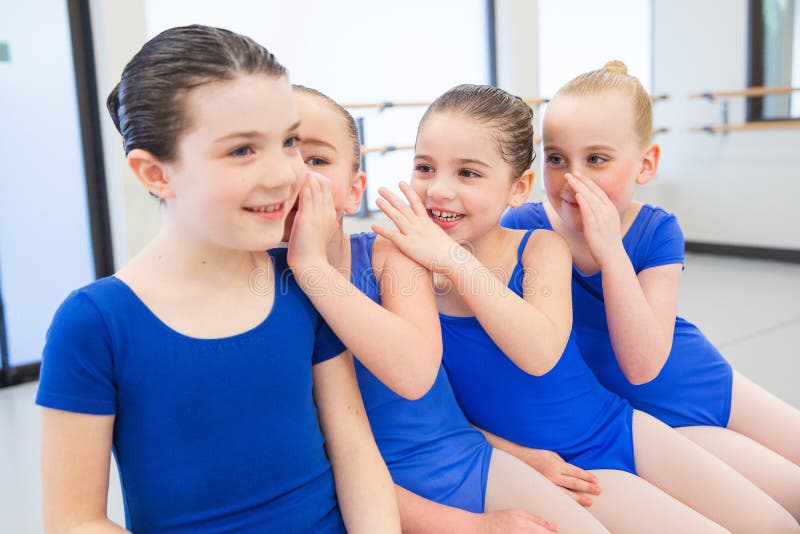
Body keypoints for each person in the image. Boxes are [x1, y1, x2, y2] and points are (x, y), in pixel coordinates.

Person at [374, 83, 800, 532]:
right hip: (565, 461)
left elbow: (541, 351)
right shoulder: (407, 275)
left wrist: (452, 260)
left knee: (775, 522)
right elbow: (442, 409)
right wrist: (520, 458)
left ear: (518, 187)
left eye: (467, 173)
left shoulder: (540, 246)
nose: (440, 189)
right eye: (424, 167)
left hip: (624, 422)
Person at [36, 25, 400, 533]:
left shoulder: (299, 283)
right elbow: (74, 520)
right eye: (242, 151)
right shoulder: (96, 324)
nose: (284, 174)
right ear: (155, 174)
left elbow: (355, 451)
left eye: (288, 142)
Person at [290, 84, 608, 533]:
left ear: (354, 189)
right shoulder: (272, 296)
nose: (293, 175)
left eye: (316, 160)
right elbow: (343, 461)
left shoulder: (392, 256)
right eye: (425, 167)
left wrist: (518, 456)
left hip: (472, 459)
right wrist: (470, 525)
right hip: (385, 498)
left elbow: (432, 390)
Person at [501, 61, 800, 521]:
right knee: (782, 504)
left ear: (646, 164)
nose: (572, 178)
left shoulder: (657, 230)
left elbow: (644, 361)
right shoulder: (522, 227)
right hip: (646, 420)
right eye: (556, 158)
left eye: (596, 160)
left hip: (701, 379)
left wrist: (610, 251)